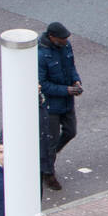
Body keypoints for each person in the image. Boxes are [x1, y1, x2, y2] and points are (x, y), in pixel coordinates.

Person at [38, 22, 82, 191]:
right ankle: (48, 173)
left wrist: (76, 81)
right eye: (62, 39)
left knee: (71, 131)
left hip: (66, 100)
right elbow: (42, 84)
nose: (66, 41)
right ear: (52, 37)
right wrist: (67, 90)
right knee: (51, 139)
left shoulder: (65, 46)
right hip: (50, 105)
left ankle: (45, 158)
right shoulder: (41, 55)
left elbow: (71, 67)